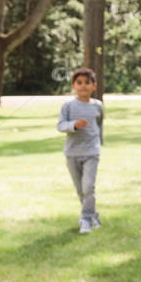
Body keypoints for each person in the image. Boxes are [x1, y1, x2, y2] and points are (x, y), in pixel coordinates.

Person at [56, 67, 104, 234]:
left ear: (94, 86)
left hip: (92, 152)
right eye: (79, 83)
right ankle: (93, 216)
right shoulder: (68, 106)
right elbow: (60, 126)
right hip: (72, 153)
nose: (83, 86)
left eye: (87, 83)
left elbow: (99, 125)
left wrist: (100, 144)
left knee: (89, 187)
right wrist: (74, 125)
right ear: (73, 86)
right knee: (81, 190)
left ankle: (84, 220)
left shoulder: (98, 105)